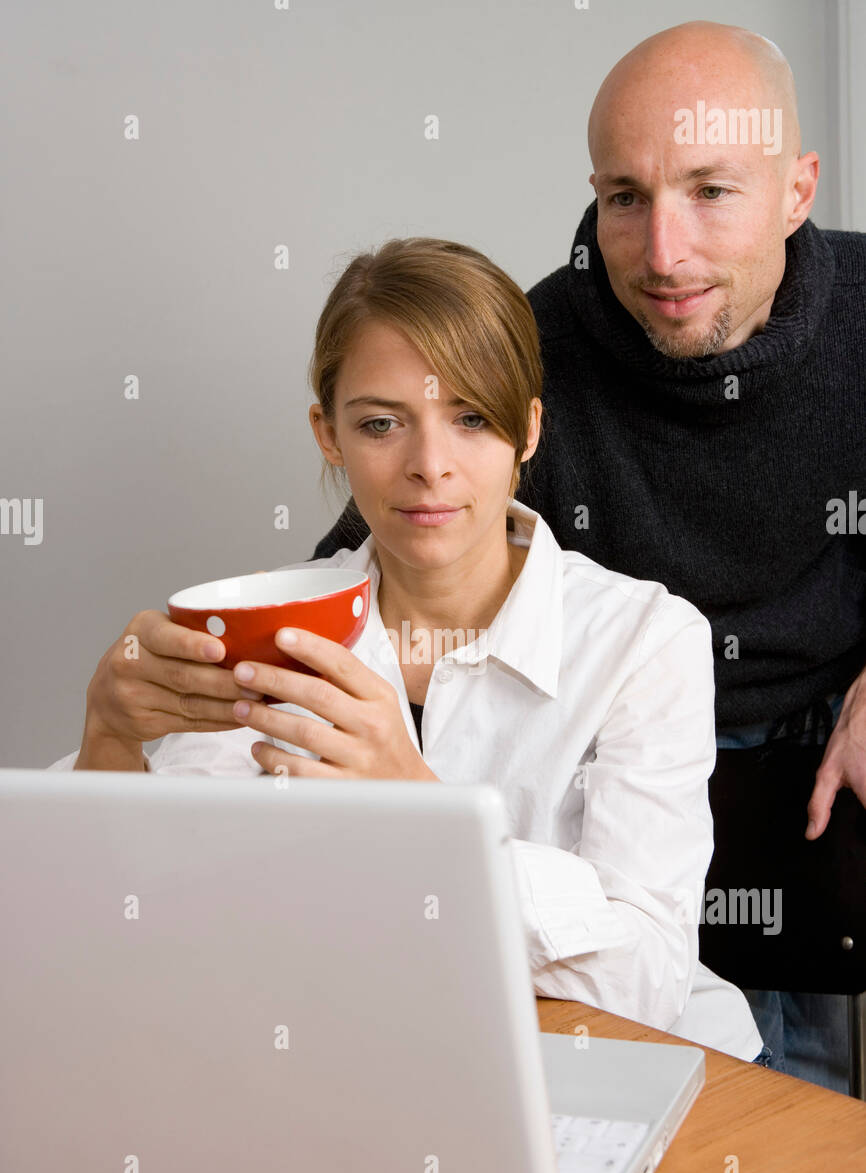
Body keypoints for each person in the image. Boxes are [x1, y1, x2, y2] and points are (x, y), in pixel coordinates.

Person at [310, 22, 866, 1092]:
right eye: (624, 197)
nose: (661, 255)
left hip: (806, 762)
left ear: (796, 190)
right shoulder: (541, 343)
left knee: (786, 1137)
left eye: (710, 192)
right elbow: (386, 540)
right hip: (600, 766)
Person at [47, 235, 764, 1064]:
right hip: (377, 1071)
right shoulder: (267, 624)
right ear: (328, 435)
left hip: (638, 1075)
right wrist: (109, 737)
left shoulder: (645, 640)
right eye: (383, 424)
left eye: (470, 419)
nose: (430, 467)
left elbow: (647, 980)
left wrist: (423, 808)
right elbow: (138, 929)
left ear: (529, 430)